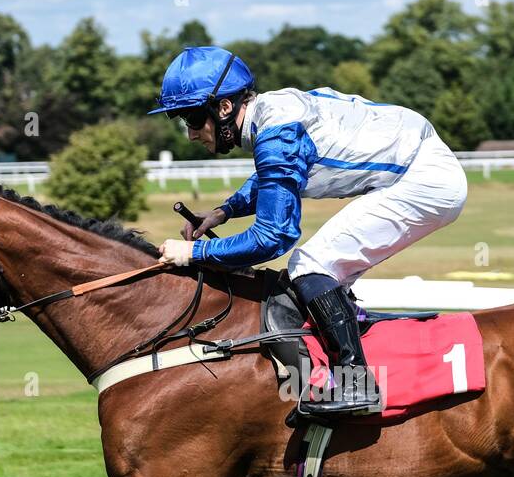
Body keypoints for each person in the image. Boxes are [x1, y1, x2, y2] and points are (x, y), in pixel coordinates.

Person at [151, 46, 468, 416]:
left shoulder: (277, 128)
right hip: (416, 168)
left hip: (424, 179)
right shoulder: (270, 114)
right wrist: (224, 212)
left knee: (311, 263)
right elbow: (275, 177)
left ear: (224, 108)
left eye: (190, 118)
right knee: (314, 270)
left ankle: (355, 384)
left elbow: (275, 236)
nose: (189, 133)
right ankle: (327, 367)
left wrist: (192, 254)